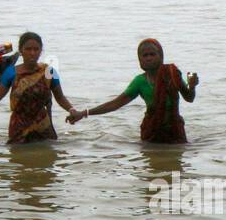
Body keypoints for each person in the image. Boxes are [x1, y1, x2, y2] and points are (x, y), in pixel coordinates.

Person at [67, 38, 198, 143]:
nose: (149, 58)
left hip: (175, 132)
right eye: (145, 55)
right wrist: (84, 113)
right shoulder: (140, 82)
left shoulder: (172, 74)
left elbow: (189, 98)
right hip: (152, 134)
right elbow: (115, 104)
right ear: (140, 59)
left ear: (161, 56)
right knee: (152, 172)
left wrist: (192, 86)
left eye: (152, 54)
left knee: (176, 173)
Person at [0, 31, 77, 144]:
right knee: (18, 158)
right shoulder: (11, 73)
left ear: (40, 51)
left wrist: (71, 110)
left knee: (46, 158)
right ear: (21, 51)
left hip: (43, 127)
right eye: (28, 49)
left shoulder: (48, 71)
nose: (32, 53)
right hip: (18, 128)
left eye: (36, 49)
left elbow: (60, 97)